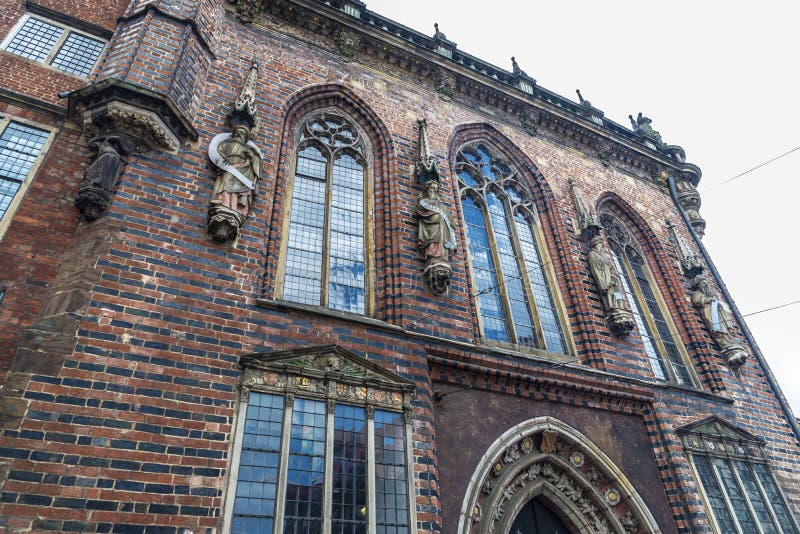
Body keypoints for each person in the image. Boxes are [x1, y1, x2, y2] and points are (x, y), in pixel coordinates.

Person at [210, 126, 261, 216]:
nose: (239, 134)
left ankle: (234, 206)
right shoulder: (225, 144)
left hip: (243, 168)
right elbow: (219, 151)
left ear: (245, 137)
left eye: (242, 133)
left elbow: (256, 161)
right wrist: (223, 158)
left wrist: (251, 156)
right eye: (237, 132)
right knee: (226, 181)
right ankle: (223, 202)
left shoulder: (248, 148)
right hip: (228, 166)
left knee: (237, 186)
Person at [416, 181, 456, 263]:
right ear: (427, 190)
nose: (434, 191)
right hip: (431, 226)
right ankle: (432, 254)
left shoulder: (442, 206)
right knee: (434, 239)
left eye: (435, 189)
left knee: (443, 240)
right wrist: (420, 201)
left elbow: (450, 220)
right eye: (432, 188)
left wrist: (452, 223)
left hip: (443, 231)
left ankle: (443, 256)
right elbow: (420, 209)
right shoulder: (424, 201)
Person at [587, 236, 627, 311]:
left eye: (601, 245)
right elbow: (596, 270)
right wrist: (603, 285)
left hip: (612, 277)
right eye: (599, 245)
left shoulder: (603, 255)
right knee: (610, 293)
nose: (601, 247)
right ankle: (612, 306)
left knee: (618, 292)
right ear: (595, 245)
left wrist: (614, 274)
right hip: (605, 278)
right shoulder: (592, 254)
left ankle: (621, 306)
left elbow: (610, 266)